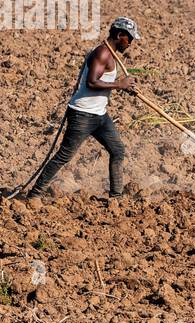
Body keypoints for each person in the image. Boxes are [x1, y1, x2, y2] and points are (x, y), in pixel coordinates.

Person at [28, 17, 140, 198]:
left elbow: (104, 81)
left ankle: (116, 197)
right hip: (83, 115)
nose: (130, 44)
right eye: (130, 39)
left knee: (117, 150)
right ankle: (34, 195)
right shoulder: (103, 53)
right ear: (120, 35)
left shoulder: (111, 53)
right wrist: (120, 85)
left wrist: (125, 88)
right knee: (64, 156)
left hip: (100, 115)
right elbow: (92, 82)